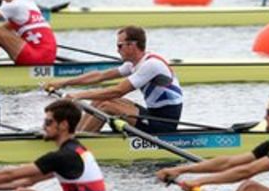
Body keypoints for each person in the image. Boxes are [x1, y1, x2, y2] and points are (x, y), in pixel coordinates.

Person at [48, 26, 182, 134]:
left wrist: (77, 96)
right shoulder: (133, 63)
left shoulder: (151, 65)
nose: (117, 50)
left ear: (132, 45)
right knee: (99, 100)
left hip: (165, 123)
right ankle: (76, 133)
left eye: (120, 46)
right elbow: (100, 76)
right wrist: (63, 83)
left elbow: (118, 91)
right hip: (152, 114)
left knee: (106, 107)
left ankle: (78, 142)